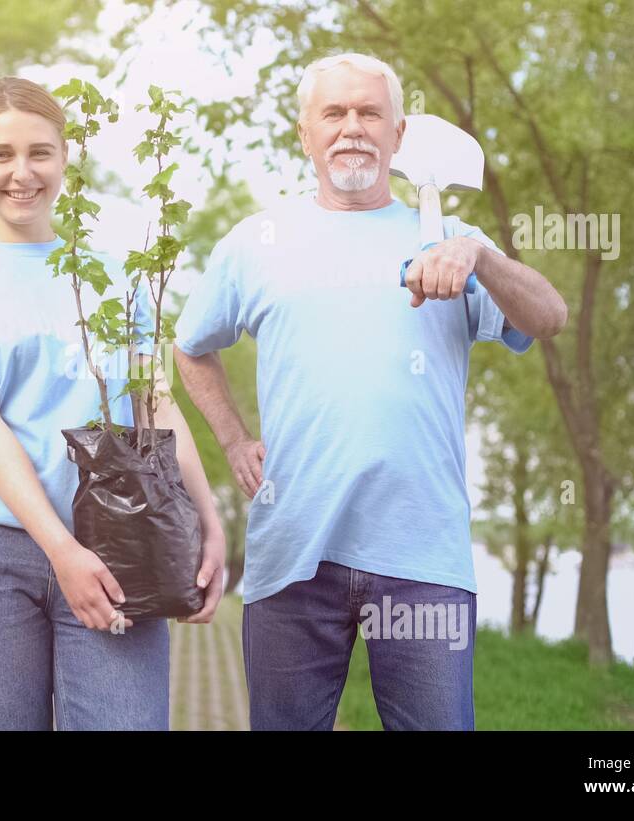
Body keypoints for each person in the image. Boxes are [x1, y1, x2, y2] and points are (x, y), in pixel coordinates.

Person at [173, 52, 568, 730]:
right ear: (305, 134)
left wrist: (480, 257)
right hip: (293, 552)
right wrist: (235, 439)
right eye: (334, 113)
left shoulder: (448, 241)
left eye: (369, 113)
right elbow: (191, 346)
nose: (351, 127)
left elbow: (549, 316)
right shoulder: (256, 244)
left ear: (399, 134)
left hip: (423, 555)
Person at [0, 77, 226, 730]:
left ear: (65, 159)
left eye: (40, 152)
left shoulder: (114, 277)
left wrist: (208, 517)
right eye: (0, 154)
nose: (22, 172)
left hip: (118, 546)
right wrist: (60, 550)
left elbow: (154, 402)